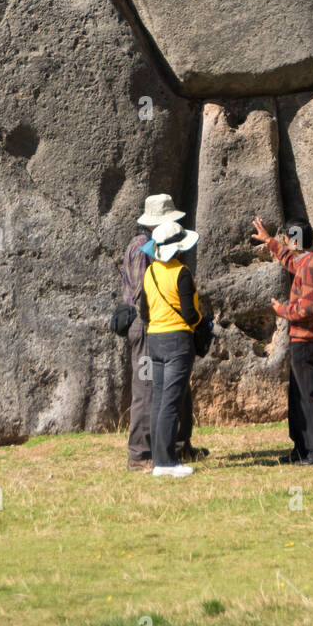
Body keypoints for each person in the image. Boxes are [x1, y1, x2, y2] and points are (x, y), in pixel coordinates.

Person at [119, 195, 204, 472]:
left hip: (155, 325)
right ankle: (142, 454)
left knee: (173, 389)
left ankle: (177, 446)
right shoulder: (146, 248)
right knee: (148, 390)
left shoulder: (147, 244)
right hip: (148, 324)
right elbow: (144, 295)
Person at [251, 215, 313, 466]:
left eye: (287, 239)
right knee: (299, 396)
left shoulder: (310, 265)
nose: (286, 243)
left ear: (295, 240)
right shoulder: (310, 259)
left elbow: (308, 309)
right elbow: (290, 260)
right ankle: (302, 448)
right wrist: (270, 241)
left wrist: (282, 311)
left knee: (309, 397)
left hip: (308, 341)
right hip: (306, 340)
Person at [144, 218, 204, 479]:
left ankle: (159, 459)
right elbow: (190, 314)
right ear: (179, 248)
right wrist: (205, 323)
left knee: (159, 400)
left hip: (154, 338)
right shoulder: (182, 272)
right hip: (178, 339)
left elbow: (145, 310)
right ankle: (167, 463)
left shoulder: (150, 271)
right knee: (171, 401)